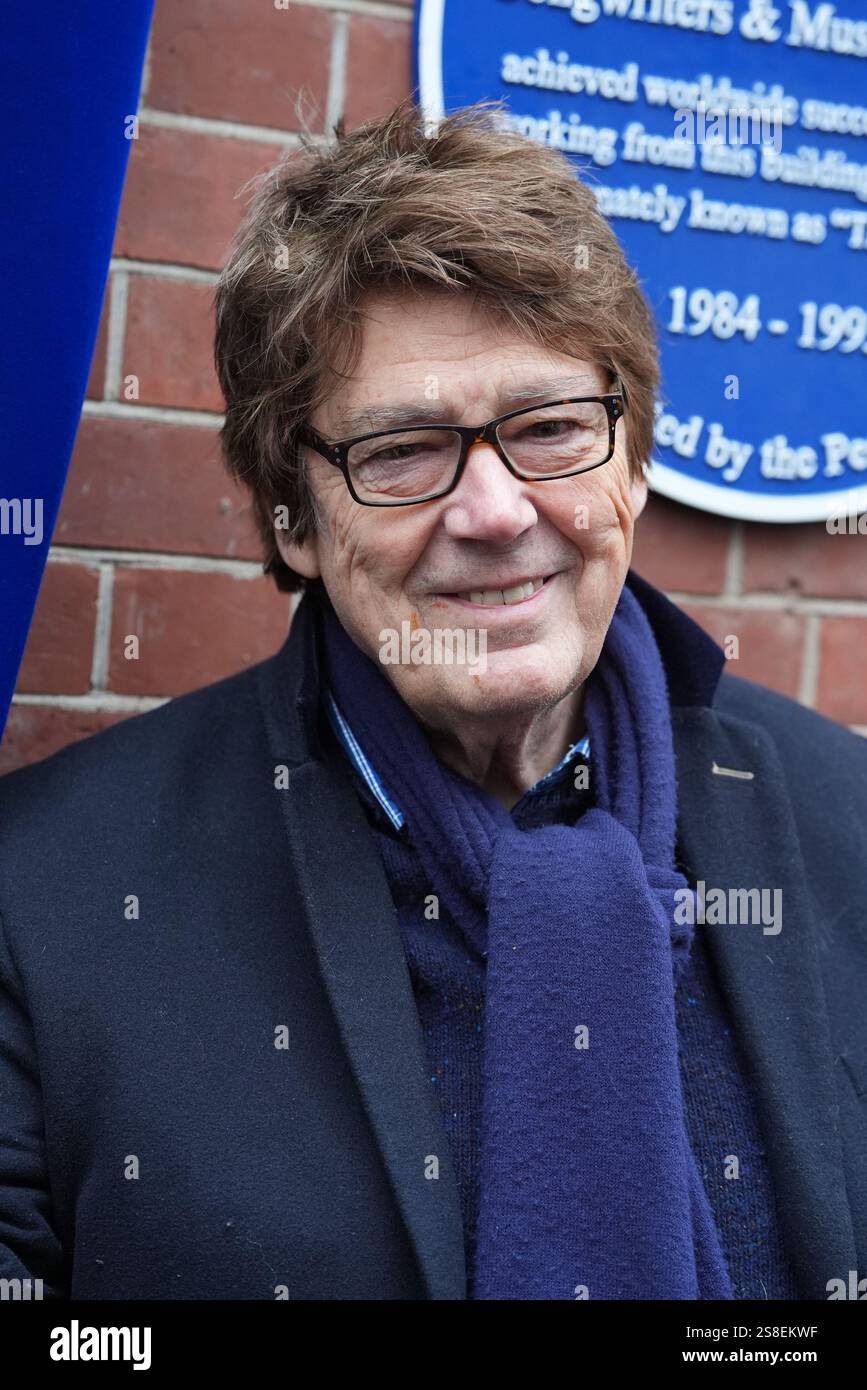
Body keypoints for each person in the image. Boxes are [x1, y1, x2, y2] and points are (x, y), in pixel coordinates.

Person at [0, 98, 864, 1302]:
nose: (497, 511)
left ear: (634, 458)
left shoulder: (847, 819)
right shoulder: (46, 893)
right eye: (402, 449)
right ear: (293, 517)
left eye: (553, 428)